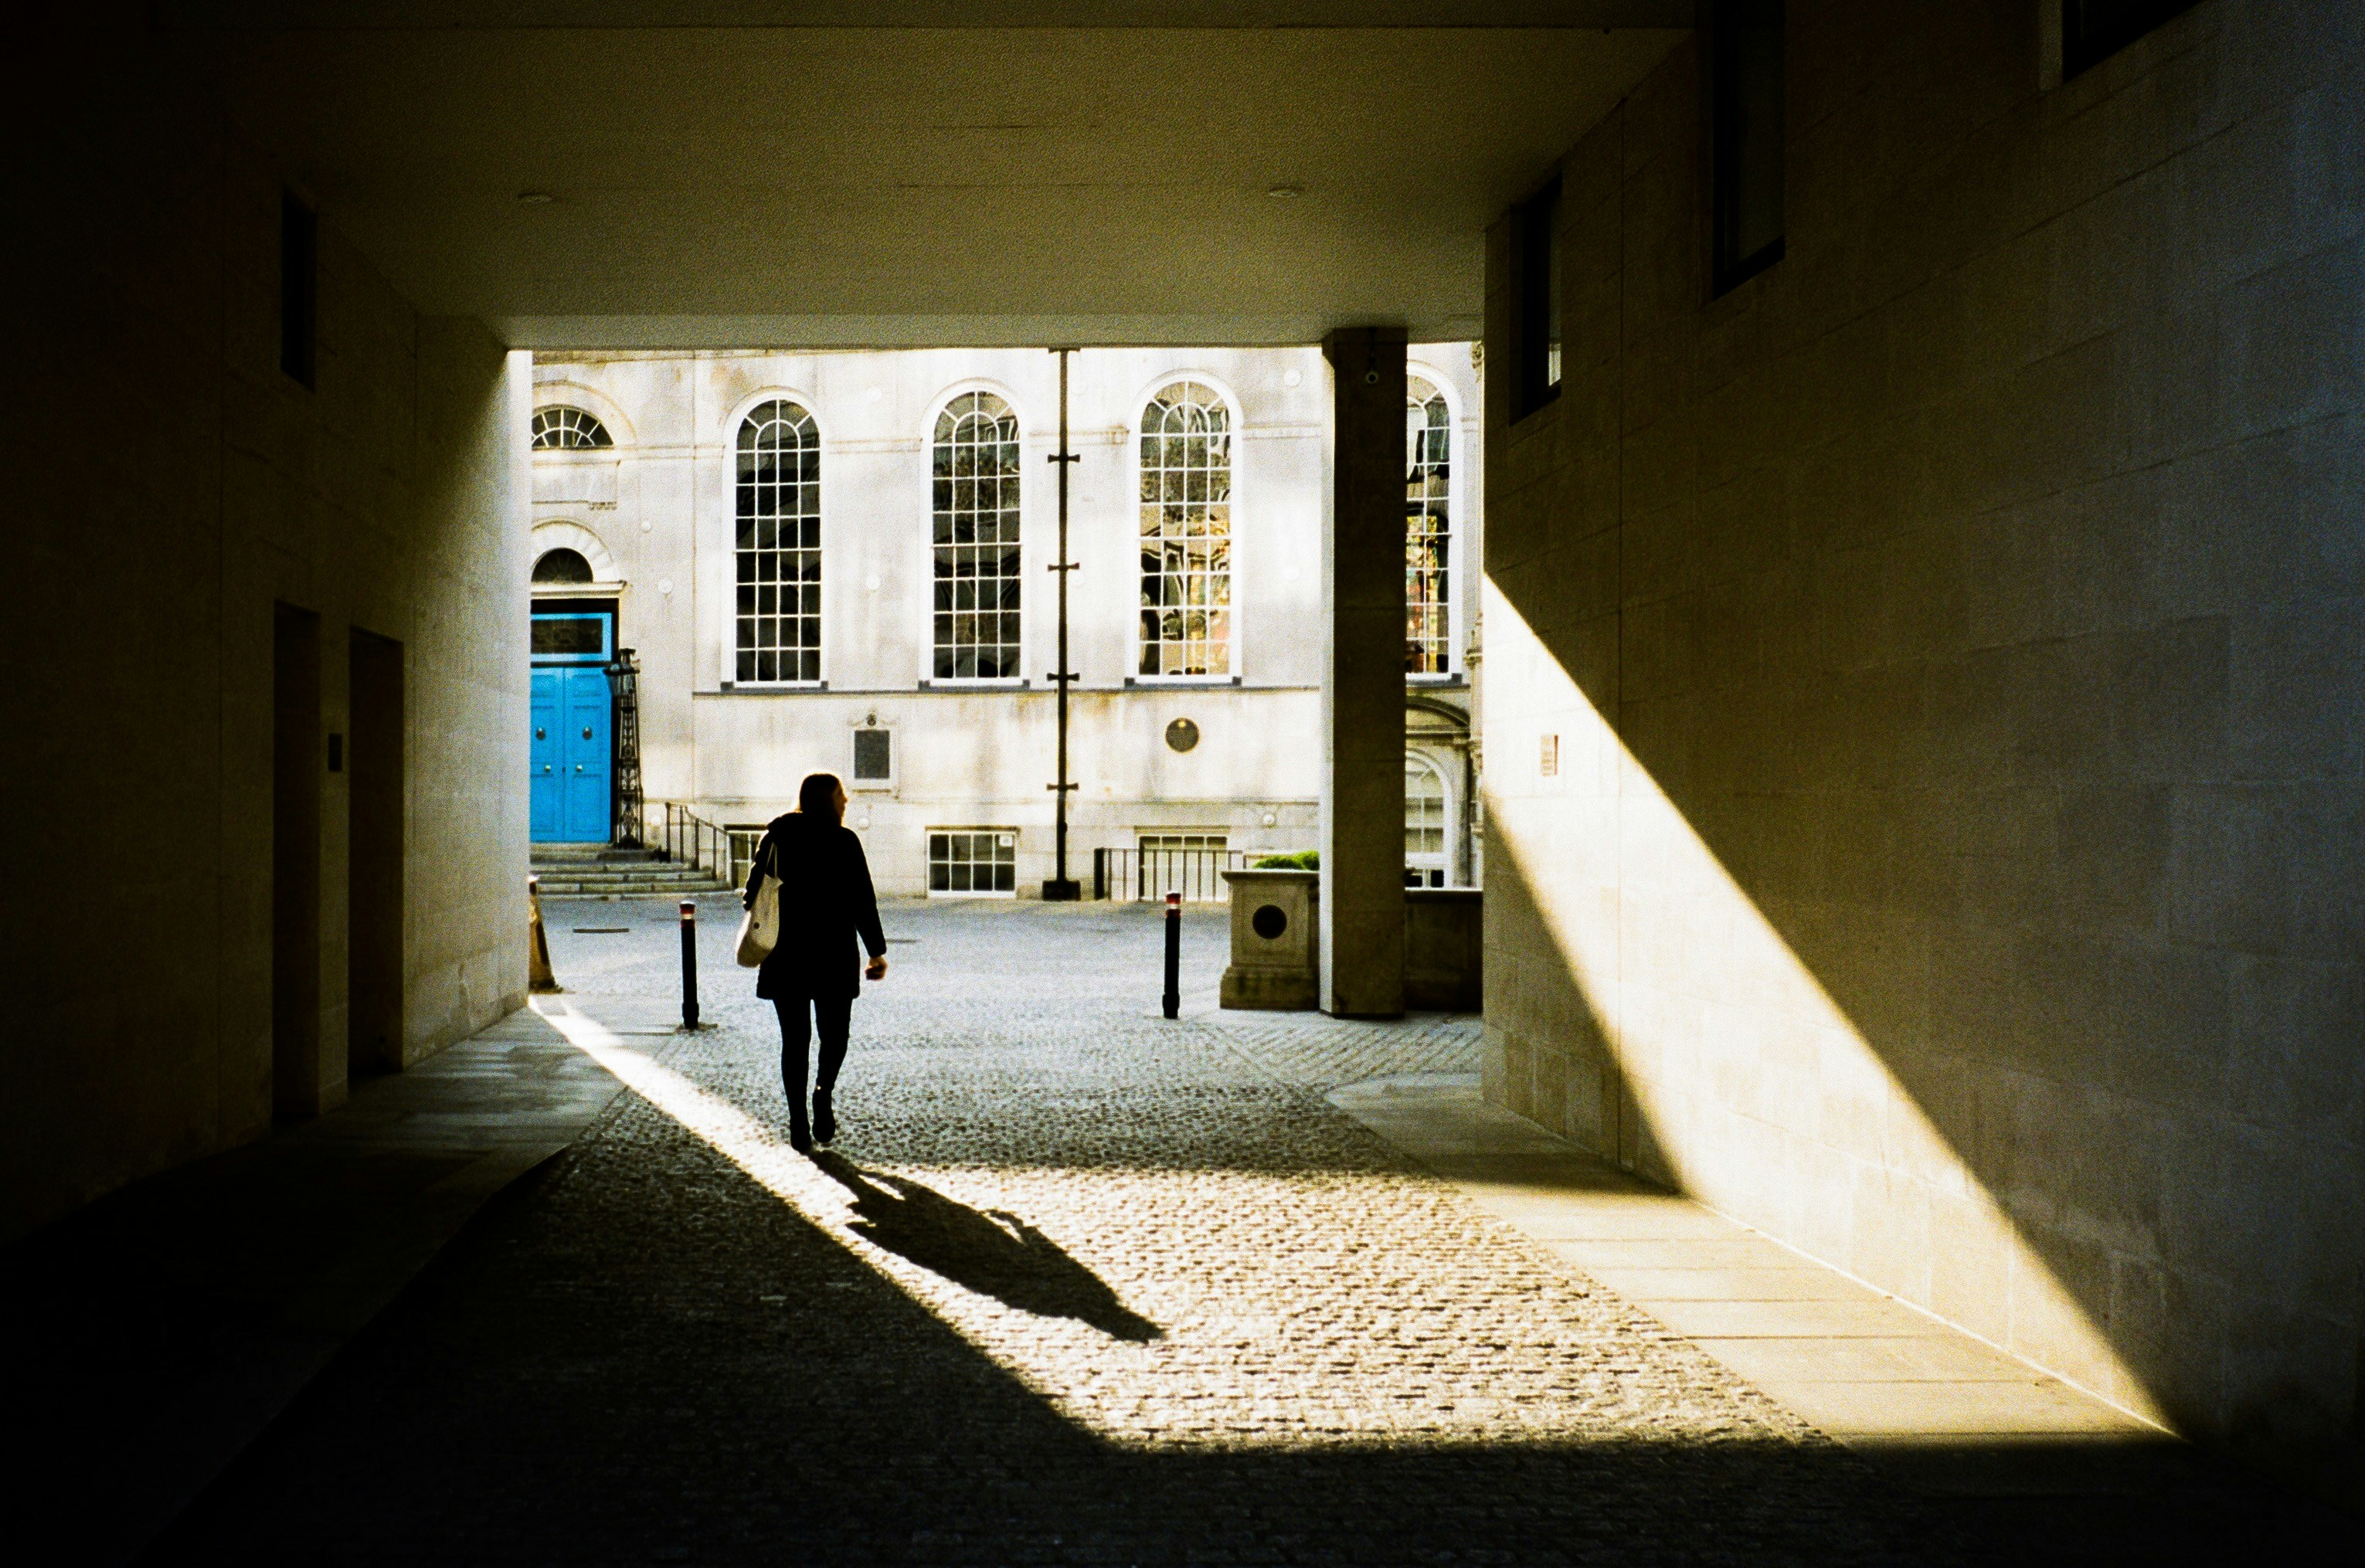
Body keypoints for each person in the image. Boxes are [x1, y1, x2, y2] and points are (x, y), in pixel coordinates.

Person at [746, 772, 888, 1153]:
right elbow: (863, 900)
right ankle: (822, 1093)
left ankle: (797, 1121)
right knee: (835, 1036)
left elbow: (750, 895)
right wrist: (875, 951)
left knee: (795, 1041)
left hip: (786, 955)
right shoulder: (844, 842)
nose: (847, 801)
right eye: (842, 795)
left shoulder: (776, 836)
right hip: (833, 956)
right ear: (828, 800)